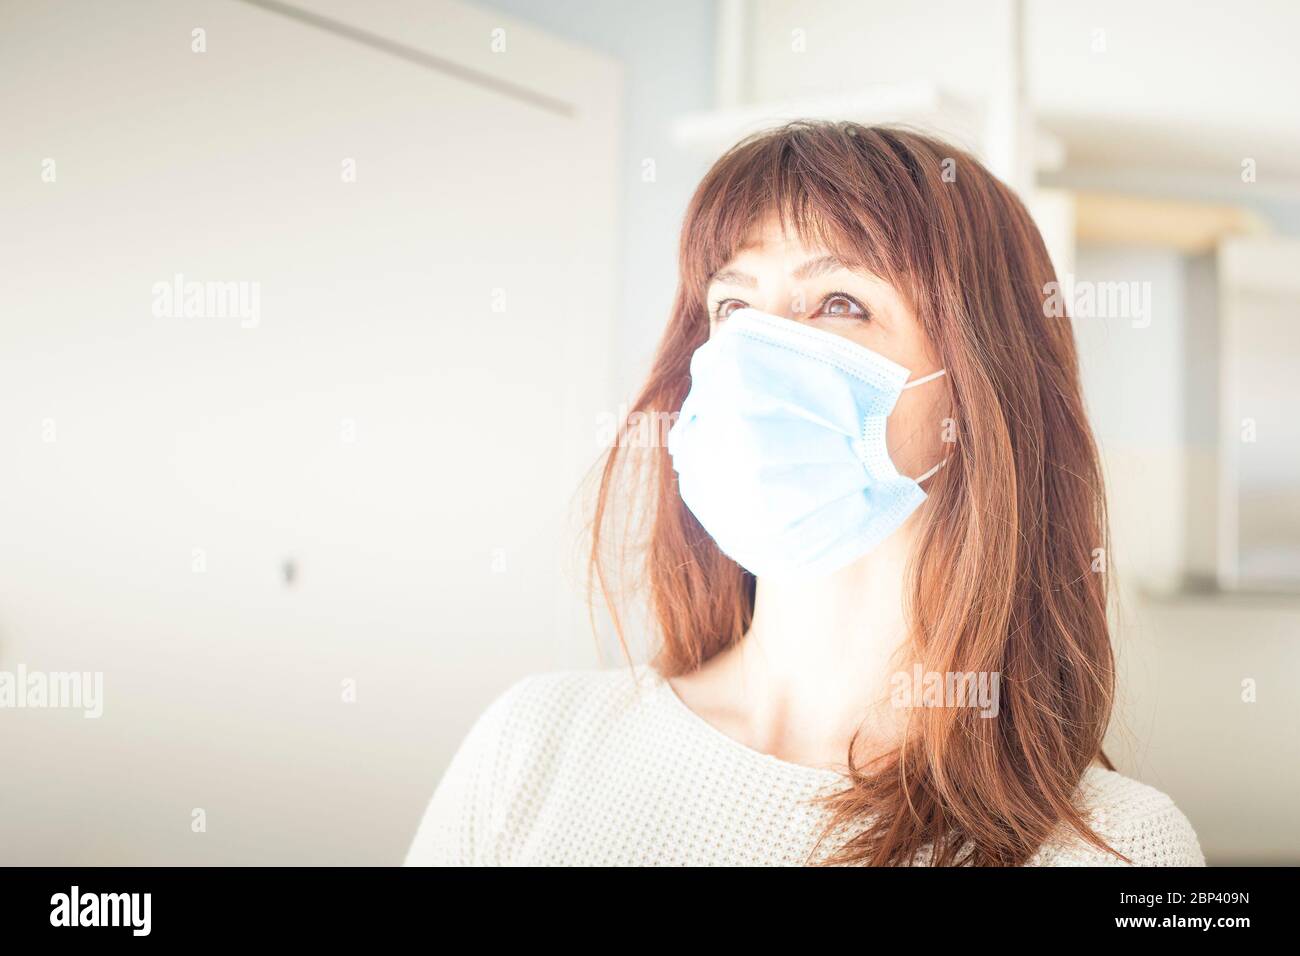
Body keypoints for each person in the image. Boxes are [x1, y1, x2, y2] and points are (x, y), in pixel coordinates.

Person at [405, 122, 1205, 867]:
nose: (756, 350)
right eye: (733, 306)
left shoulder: (1117, 848)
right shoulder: (534, 743)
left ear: (979, 386)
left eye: (840, 303)